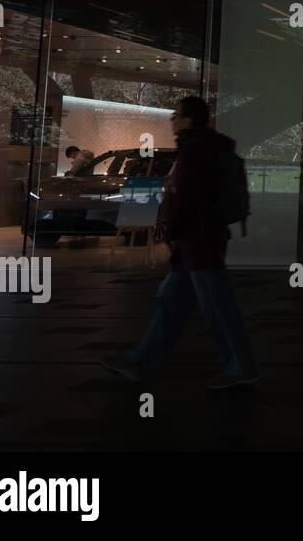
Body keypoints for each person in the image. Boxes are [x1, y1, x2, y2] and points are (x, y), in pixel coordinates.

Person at [102, 96, 258, 390]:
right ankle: (139, 361)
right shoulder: (211, 146)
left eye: (176, 115)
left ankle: (242, 367)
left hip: (198, 243)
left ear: (188, 119)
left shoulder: (194, 150)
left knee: (217, 308)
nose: (171, 119)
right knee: (171, 304)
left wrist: (168, 237)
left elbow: (185, 199)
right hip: (200, 242)